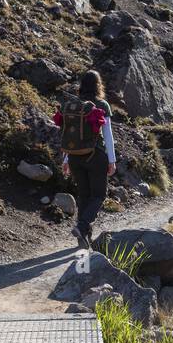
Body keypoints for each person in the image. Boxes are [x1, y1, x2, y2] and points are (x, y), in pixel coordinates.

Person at [54, 70, 116, 249]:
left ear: (82, 85)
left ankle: (84, 237)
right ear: (98, 85)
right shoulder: (102, 105)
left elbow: (68, 136)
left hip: (74, 156)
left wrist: (66, 159)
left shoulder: (73, 105)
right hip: (96, 155)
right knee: (98, 195)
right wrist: (112, 160)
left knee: (84, 195)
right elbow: (108, 135)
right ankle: (82, 227)